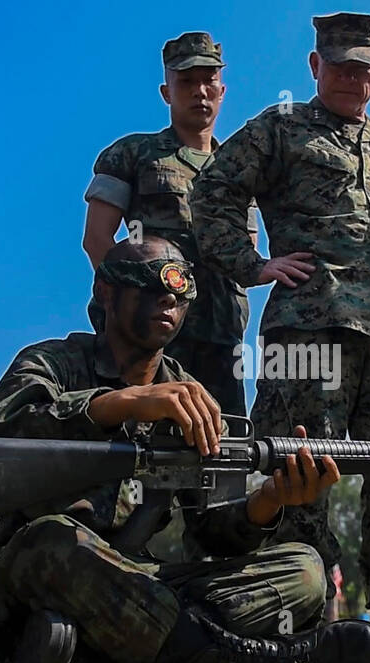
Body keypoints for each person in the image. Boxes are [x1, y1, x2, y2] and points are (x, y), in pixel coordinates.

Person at [0, 236, 370, 663]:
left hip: (141, 584)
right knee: (51, 540)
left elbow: (213, 534)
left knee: (304, 569)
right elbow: (2, 432)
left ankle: (108, 643)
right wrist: (123, 402)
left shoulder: (193, 398)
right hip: (38, 570)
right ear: (105, 293)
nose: (168, 301)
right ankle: (245, 654)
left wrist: (269, 501)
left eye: (180, 295)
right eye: (149, 289)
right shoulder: (52, 363)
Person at [191, 12, 370, 663]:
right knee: (302, 473)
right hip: (309, 332)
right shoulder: (279, 131)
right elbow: (212, 191)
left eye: (362, 67)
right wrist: (253, 266)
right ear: (314, 66)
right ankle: (304, 616)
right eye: (337, 65)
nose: (349, 76)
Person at [82, 31, 255, 414]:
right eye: (186, 82)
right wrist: (126, 302)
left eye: (208, 80)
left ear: (222, 90)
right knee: (137, 439)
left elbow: (247, 255)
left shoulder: (241, 168)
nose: (199, 91)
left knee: (220, 448)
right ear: (166, 92)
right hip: (146, 336)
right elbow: (97, 238)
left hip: (220, 335)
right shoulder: (133, 153)